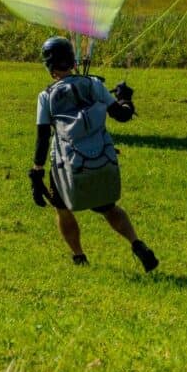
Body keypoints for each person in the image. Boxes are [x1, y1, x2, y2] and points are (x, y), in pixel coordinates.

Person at [29, 36, 158, 271]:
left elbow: (42, 137)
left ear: (49, 66)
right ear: (73, 61)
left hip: (67, 165)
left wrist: (37, 172)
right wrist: (125, 98)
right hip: (101, 160)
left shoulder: (46, 96)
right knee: (109, 208)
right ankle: (136, 243)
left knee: (62, 209)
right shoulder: (95, 84)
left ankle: (79, 256)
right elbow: (122, 115)